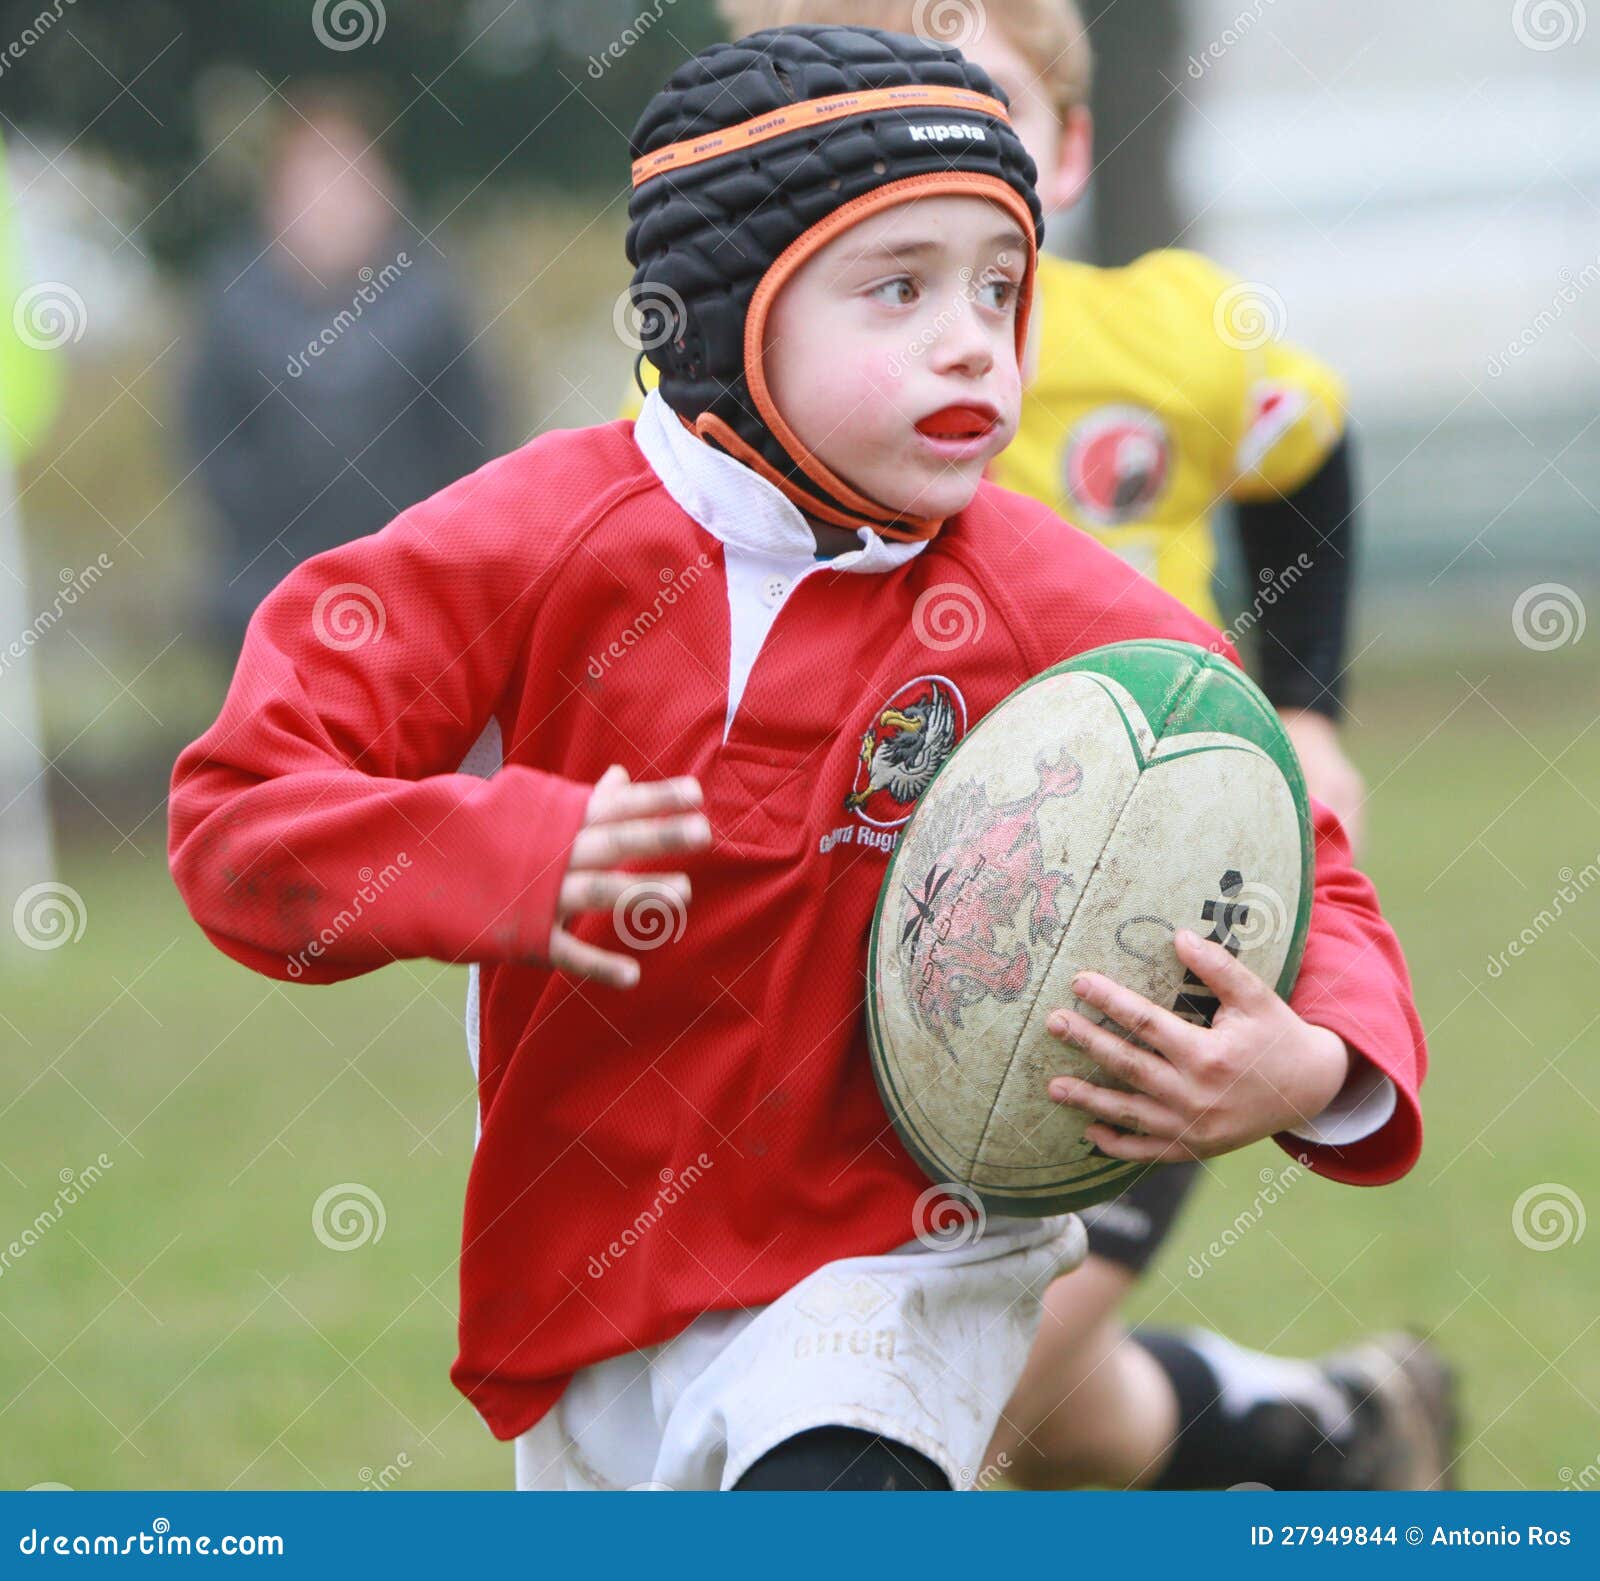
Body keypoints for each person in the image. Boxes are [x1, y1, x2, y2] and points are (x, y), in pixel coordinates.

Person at [167, 25, 1428, 1493]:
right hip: (590, 1267)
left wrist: (1315, 1062)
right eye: (900, 286)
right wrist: (509, 854)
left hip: (898, 1263)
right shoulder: (532, 538)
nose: (973, 336)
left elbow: (1290, 838)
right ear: (719, 317)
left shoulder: (1049, 599)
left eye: (999, 286)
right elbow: (244, 813)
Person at [686, 0, 1456, 1492]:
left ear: (1074, 145)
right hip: (879, 945)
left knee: (961, 1377)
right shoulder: (784, 394)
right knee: (1005, 1399)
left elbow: (1310, 455)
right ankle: (1320, 1429)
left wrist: (1306, 708)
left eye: (990, 117)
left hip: (1129, 926)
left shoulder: (1162, 338)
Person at [183, 80, 496, 662]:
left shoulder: (432, 297)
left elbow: (473, 439)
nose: (331, 199)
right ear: (276, 195)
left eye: (349, 176)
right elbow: (208, 443)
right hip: (266, 603)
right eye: (313, 178)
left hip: (411, 601)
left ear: (384, 188)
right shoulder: (233, 300)